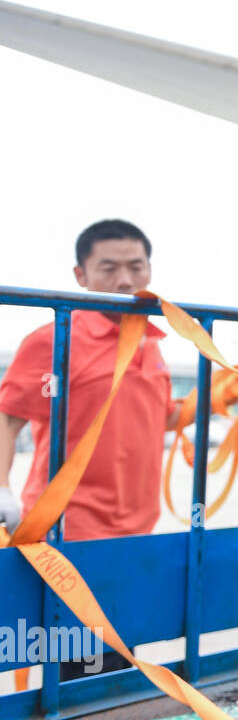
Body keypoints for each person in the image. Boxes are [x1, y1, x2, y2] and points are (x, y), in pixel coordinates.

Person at [0, 219, 180, 542]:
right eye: (108, 268)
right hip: (64, 533)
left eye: (136, 267)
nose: (125, 281)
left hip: (141, 532)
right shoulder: (56, 340)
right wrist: (1, 489)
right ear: (80, 276)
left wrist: (224, 396)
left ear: (149, 271)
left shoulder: (151, 343)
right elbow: (6, 420)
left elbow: (162, 418)